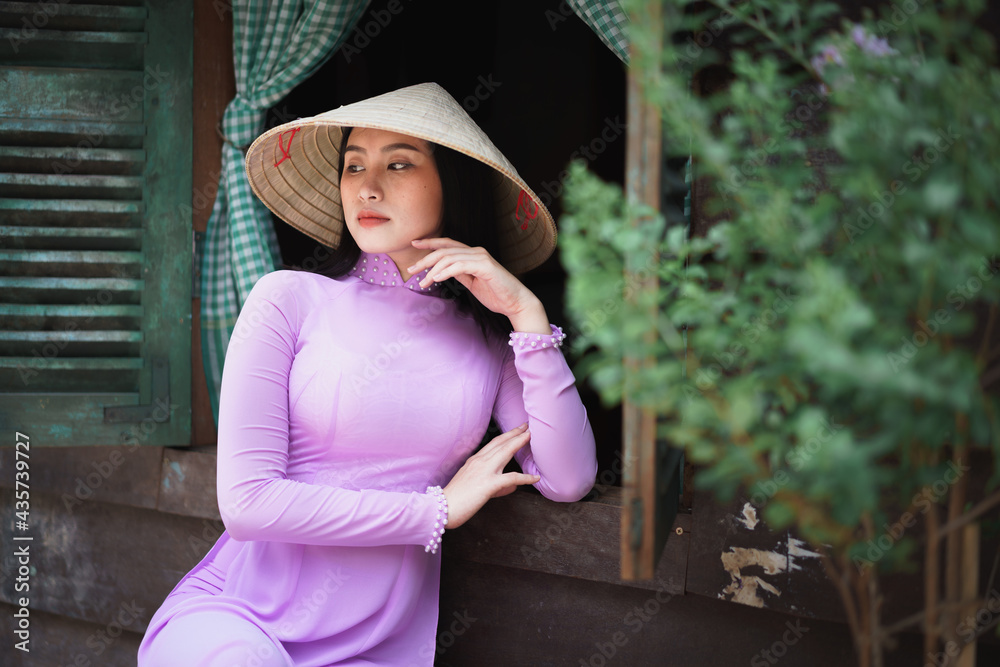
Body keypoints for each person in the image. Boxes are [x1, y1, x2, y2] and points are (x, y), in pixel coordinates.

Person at [138, 82, 598, 666]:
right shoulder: (288, 300)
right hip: (239, 623)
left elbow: (569, 477)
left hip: (377, 648)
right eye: (353, 165)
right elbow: (248, 504)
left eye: (398, 163)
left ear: (452, 185)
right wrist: (436, 511)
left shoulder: (490, 342)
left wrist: (527, 317)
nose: (367, 186)